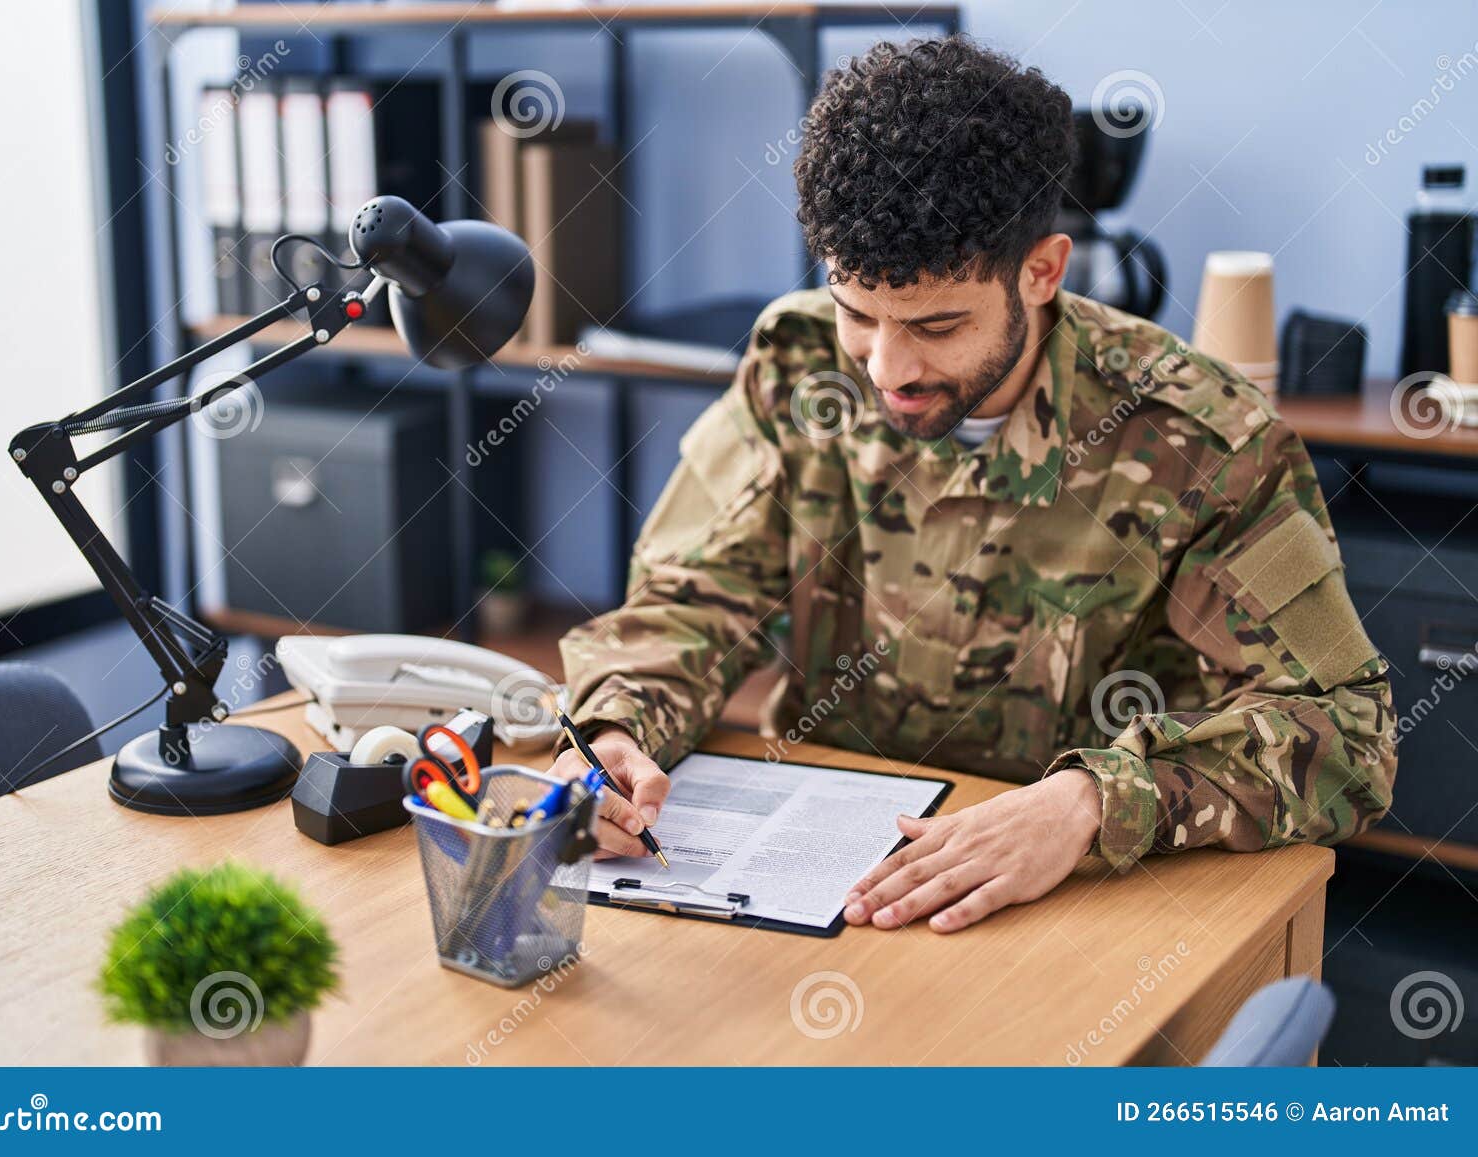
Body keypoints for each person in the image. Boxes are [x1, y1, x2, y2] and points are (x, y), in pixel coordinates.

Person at [546, 36, 1396, 933]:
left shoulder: (1197, 437)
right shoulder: (798, 365)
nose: (888, 367)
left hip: (1070, 909)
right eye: (856, 312)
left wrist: (1090, 803)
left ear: (1042, 270)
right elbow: (693, 600)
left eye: (937, 324)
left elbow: (1348, 733)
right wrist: (613, 733)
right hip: (819, 890)